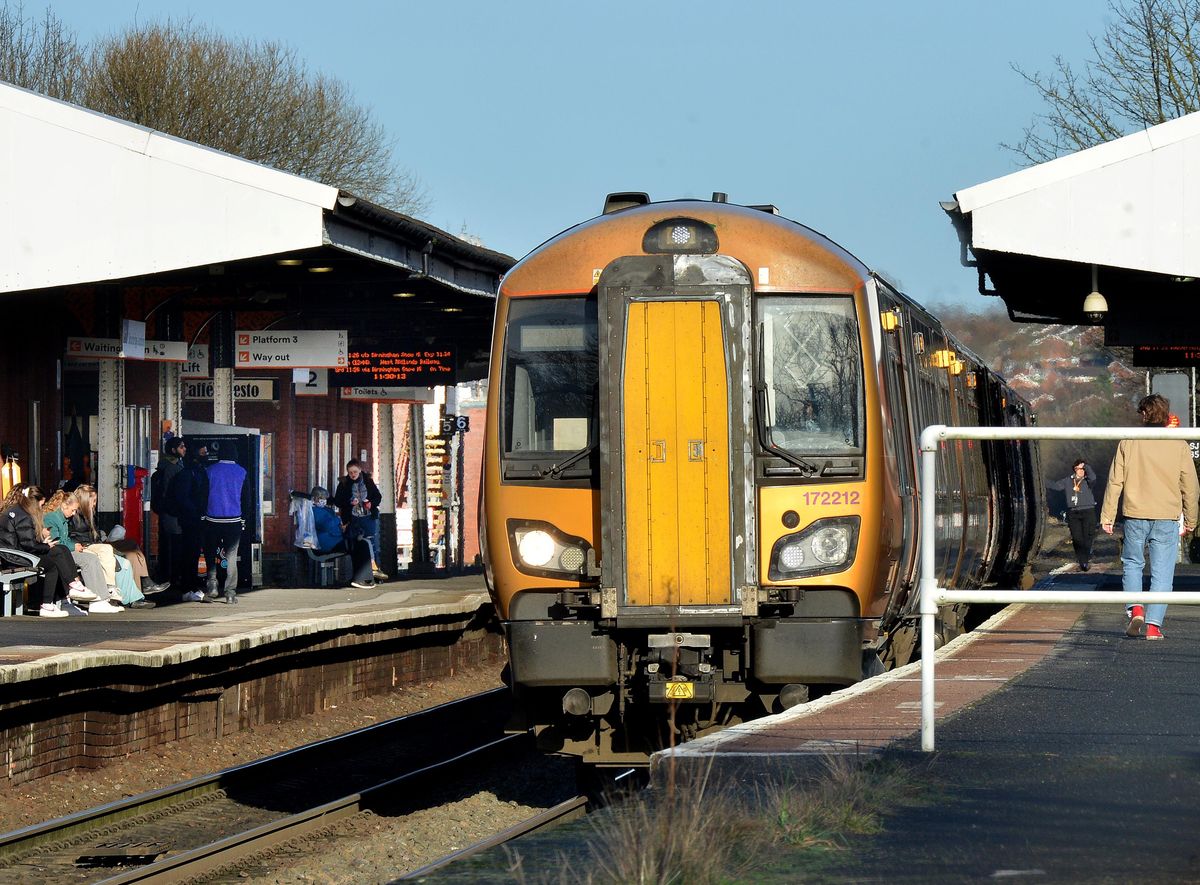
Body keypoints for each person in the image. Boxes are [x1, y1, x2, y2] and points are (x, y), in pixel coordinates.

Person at [1101, 394, 1200, 640]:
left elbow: (1115, 481)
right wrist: (1191, 519)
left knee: (1133, 564)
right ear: (1166, 415)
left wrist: (1108, 515)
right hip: (1166, 516)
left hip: (1135, 514)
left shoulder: (1129, 442)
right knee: (1163, 572)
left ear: (1144, 414)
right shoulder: (1178, 443)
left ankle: (1136, 608)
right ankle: (1154, 627)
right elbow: (1191, 485)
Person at [0, 484, 89, 617]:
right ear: (34, 502)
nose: (41, 508)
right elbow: (28, 544)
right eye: (41, 505)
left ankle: (71, 586)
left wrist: (44, 545)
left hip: (16, 552)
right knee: (53, 561)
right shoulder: (23, 515)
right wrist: (46, 546)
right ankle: (63, 593)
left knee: (60, 550)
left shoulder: (19, 511)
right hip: (14, 557)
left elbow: (25, 541)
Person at [69, 484, 165, 606]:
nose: (94, 504)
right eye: (93, 501)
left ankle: (134, 598)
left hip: (94, 546)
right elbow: (73, 536)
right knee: (115, 556)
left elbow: (95, 536)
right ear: (85, 500)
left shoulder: (89, 516)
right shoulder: (74, 516)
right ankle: (114, 590)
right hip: (84, 547)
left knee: (124, 564)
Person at [42, 489, 124, 613]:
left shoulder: (62, 518)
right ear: (64, 506)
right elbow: (55, 541)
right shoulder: (52, 518)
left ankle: (102, 598)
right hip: (60, 554)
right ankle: (98, 600)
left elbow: (65, 539)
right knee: (89, 560)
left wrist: (74, 545)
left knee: (92, 558)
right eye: (73, 510)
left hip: (65, 552)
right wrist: (73, 546)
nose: (74, 513)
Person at [203, 441, 247, 604]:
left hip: (212, 519)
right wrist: (244, 518)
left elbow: (203, 494)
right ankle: (229, 593)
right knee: (231, 556)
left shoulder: (210, 471)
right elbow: (246, 499)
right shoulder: (242, 472)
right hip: (234, 520)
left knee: (210, 553)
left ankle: (212, 585)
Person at [311, 486, 375, 589]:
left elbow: (334, 527)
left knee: (360, 543)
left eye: (324, 498)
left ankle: (361, 577)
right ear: (315, 499)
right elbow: (328, 526)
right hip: (327, 543)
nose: (323, 501)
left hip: (335, 539)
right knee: (360, 545)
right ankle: (361, 578)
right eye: (320, 498)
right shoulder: (314, 511)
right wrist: (338, 521)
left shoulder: (326, 510)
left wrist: (340, 526)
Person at [170, 442, 210, 602]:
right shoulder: (191, 473)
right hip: (191, 519)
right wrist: (197, 512)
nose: (205, 455)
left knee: (191, 554)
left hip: (190, 518)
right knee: (190, 554)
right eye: (202, 452)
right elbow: (185, 498)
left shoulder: (187, 473)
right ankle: (188, 588)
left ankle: (191, 586)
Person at [333, 459, 385, 581]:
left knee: (371, 543)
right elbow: (338, 501)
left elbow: (378, 496)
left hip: (368, 516)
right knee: (356, 545)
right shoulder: (344, 484)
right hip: (352, 518)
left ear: (360, 470)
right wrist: (350, 502)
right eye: (350, 472)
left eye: (355, 472)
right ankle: (360, 574)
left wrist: (371, 504)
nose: (353, 475)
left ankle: (375, 572)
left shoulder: (368, 481)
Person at [1050, 459, 1100, 570]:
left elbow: (1093, 477)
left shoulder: (1088, 480)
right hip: (1073, 513)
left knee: (1088, 536)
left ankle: (1085, 559)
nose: (1081, 471)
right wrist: (1038, 480)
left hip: (1088, 511)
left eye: (1083, 469)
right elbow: (1056, 486)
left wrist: (1086, 466)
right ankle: (1082, 561)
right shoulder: (1068, 481)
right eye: (1079, 469)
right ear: (1074, 469)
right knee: (1077, 538)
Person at [151, 437, 185, 587]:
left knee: (166, 543)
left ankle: (167, 574)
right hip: (173, 513)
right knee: (174, 544)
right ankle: (173, 576)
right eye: (181, 447)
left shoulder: (164, 466)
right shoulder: (173, 468)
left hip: (166, 512)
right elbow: (169, 492)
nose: (185, 449)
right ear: (173, 450)